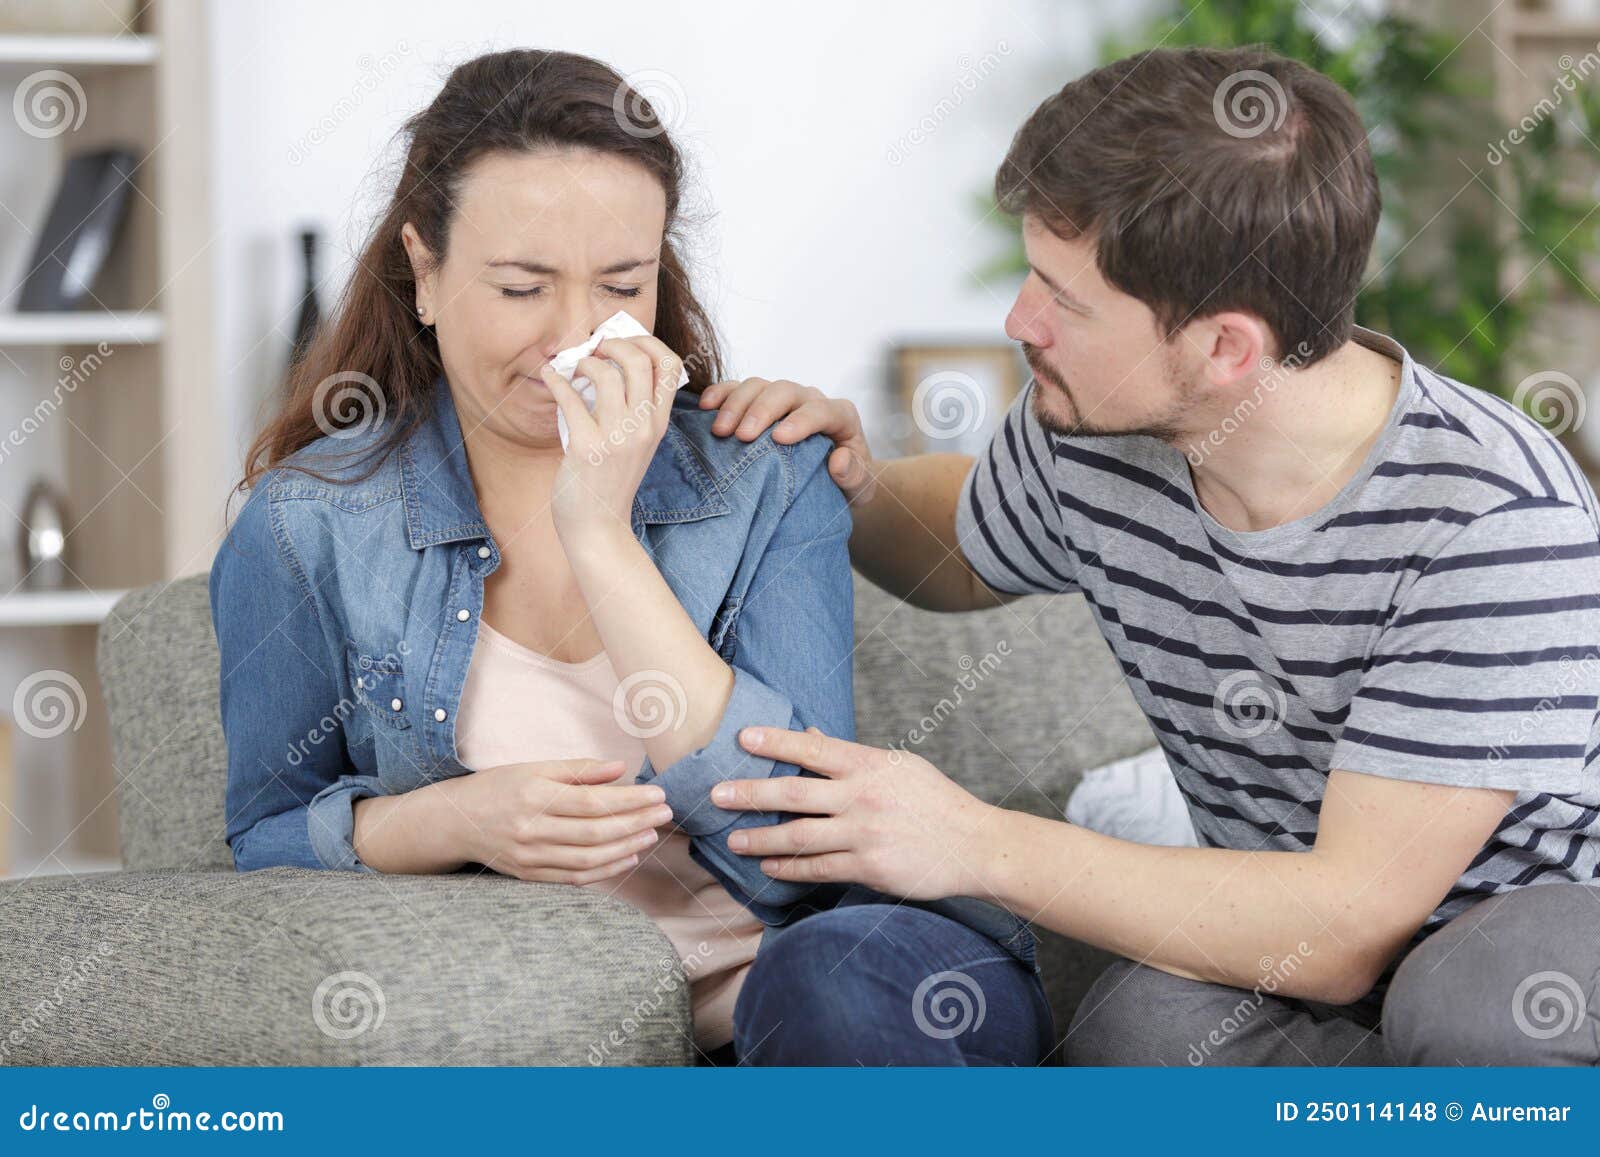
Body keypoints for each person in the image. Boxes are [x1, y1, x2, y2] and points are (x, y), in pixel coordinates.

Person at [703, 45, 1600, 1065]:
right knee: (1141, 1023)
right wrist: (842, 476)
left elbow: (1343, 923)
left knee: (1475, 991)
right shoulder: (1095, 433)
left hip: (1532, 947)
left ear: (1224, 348)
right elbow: (962, 544)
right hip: (1310, 975)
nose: (1017, 321)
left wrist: (968, 837)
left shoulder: (1493, 518)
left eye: (1062, 300)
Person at [211, 48, 1051, 1065]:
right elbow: (264, 833)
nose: (574, 337)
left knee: (825, 987)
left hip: (831, 978)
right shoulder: (308, 521)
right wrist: (451, 819)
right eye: (521, 287)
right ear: (423, 273)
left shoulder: (762, 476)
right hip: (550, 1015)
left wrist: (601, 531)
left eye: (620, 283)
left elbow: (795, 846)